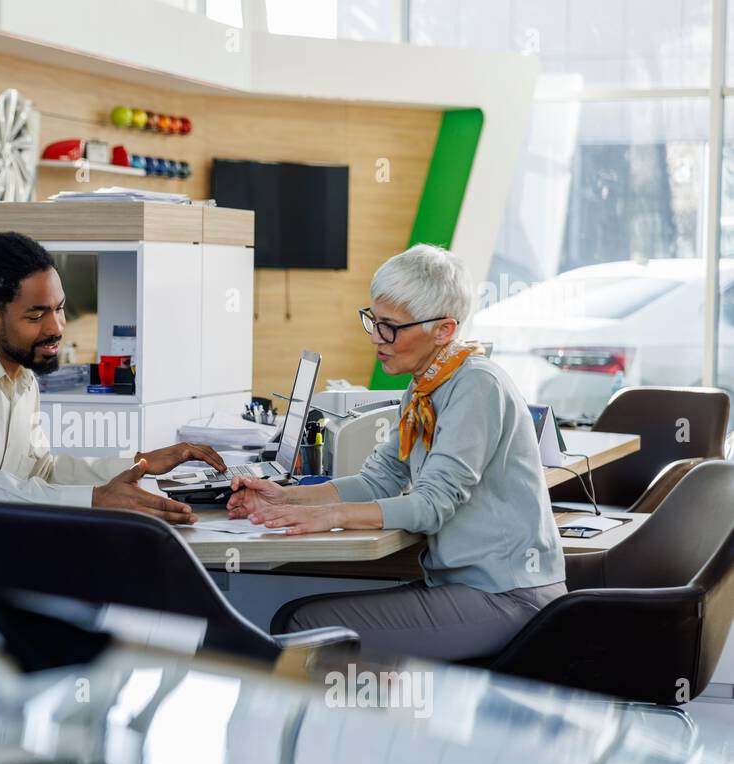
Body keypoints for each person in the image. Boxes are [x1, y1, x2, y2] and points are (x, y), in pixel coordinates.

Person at [229, 244, 566, 662]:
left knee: (304, 627)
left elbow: (431, 506)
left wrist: (330, 516)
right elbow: (378, 481)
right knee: (297, 619)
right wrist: (286, 497)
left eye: (390, 327)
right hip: (469, 589)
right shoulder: (427, 384)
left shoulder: (477, 386)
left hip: (507, 597)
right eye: (373, 321)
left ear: (443, 330)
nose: (376, 338)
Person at [0, 217, 225, 530]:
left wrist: (139, 463)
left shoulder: (21, 378)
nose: (57, 327)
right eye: (36, 315)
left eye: (59, 309)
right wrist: (96, 500)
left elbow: (41, 472)